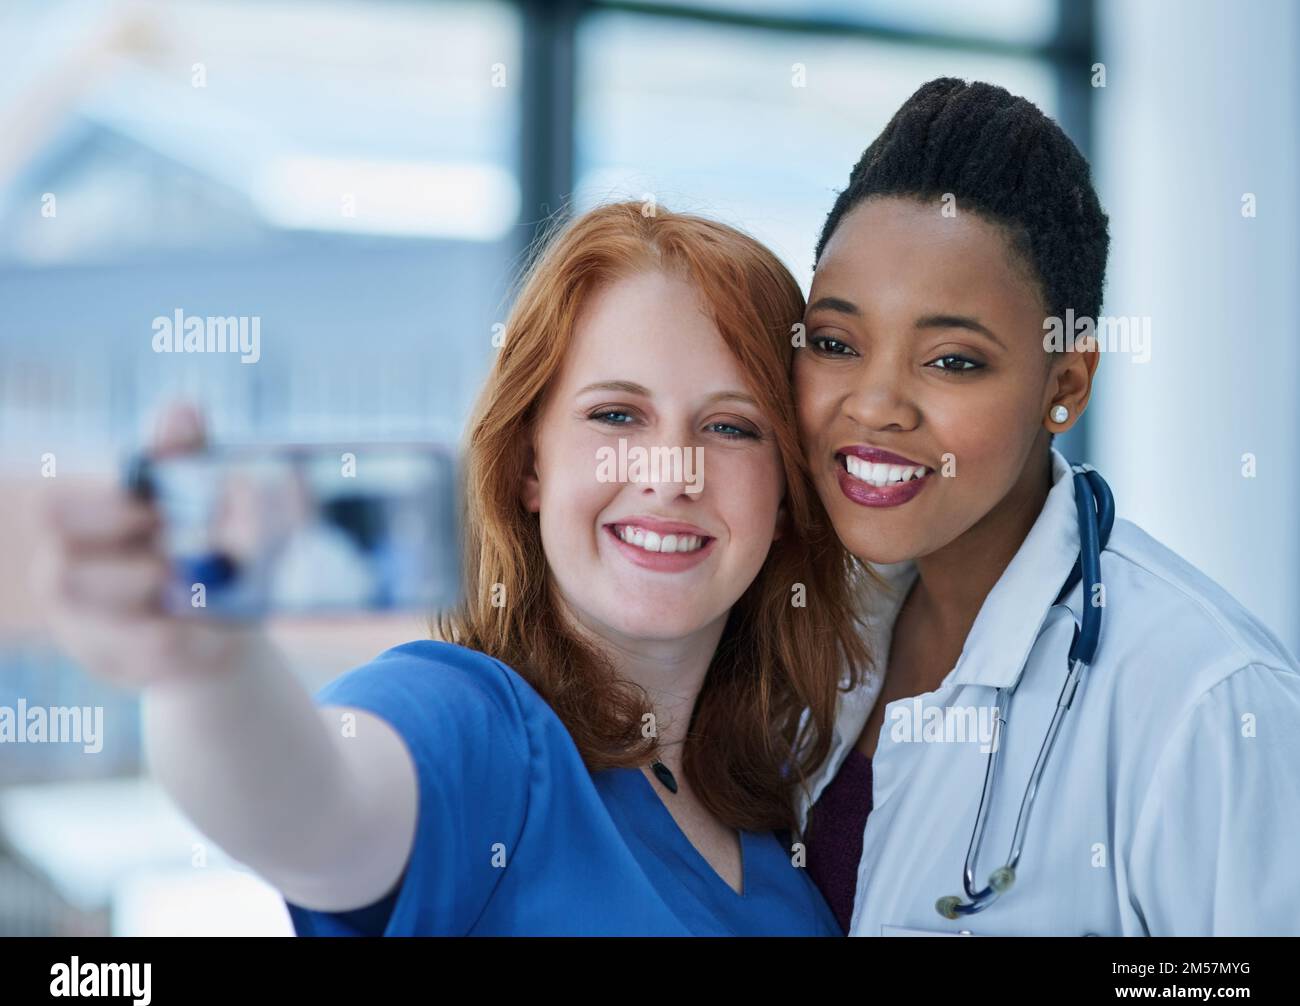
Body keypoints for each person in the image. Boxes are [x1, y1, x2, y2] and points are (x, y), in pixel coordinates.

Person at [33, 202, 871, 936]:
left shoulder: (782, 826)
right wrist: (205, 671)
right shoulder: (479, 728)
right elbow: (311, 809)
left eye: (730, 428)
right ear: (530, 466)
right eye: (616, 414)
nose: (670, 474)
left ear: (787, 491)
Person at [794, 78, 1300, 936]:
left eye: (952, 361)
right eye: (837, 344)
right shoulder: (796, 624)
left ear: (1065, 386)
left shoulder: (1209, 705)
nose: (875, 405)